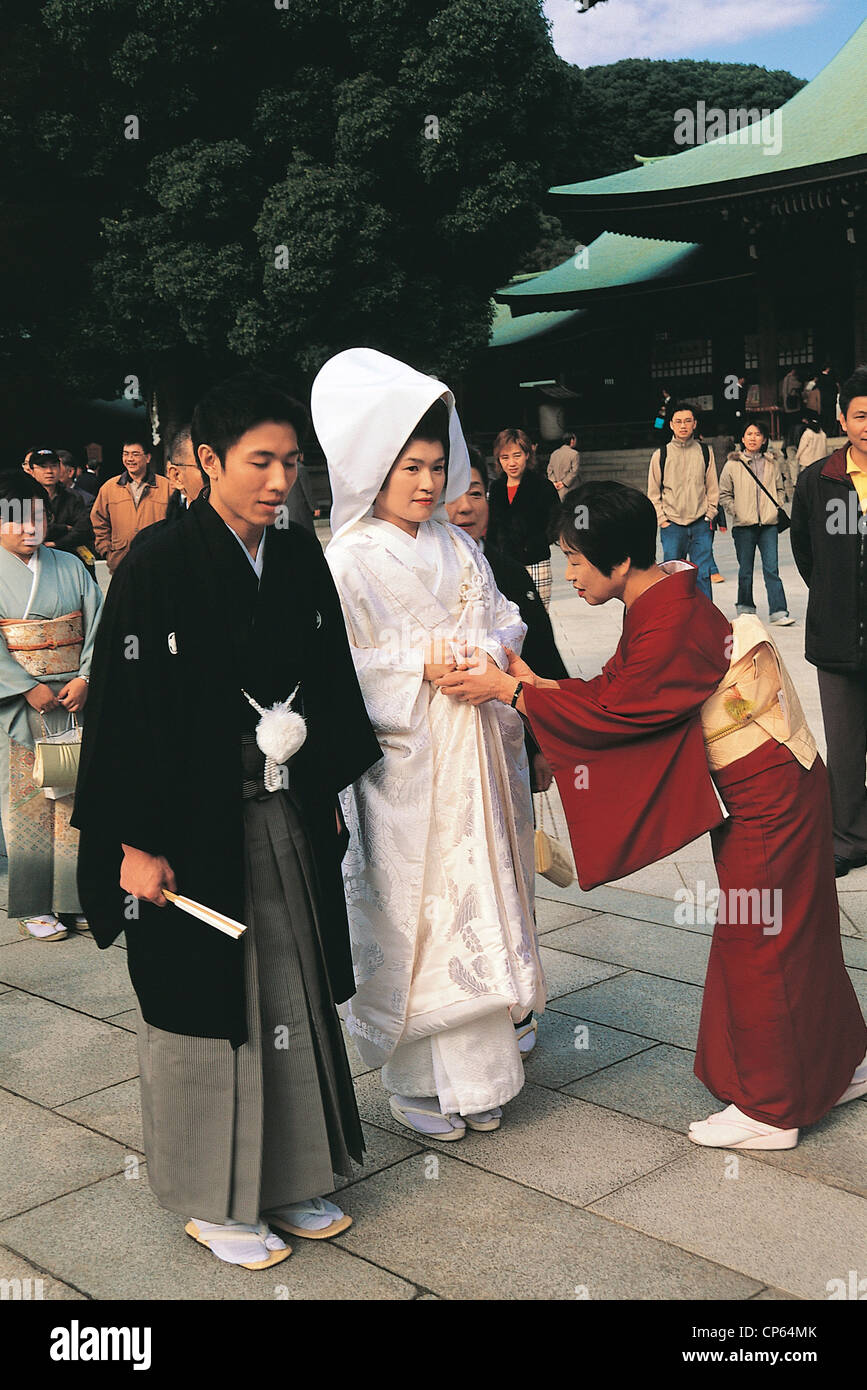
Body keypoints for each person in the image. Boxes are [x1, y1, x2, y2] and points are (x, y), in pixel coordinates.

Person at [438, 480, 867, 1150]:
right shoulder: (661, 595)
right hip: (776, 775)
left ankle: (772, 1109)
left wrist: (510, 691)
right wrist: (538, 685)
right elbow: (621, 689)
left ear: (617, 563)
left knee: (761, 938)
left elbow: (618, 712)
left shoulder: (665, 616)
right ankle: (837, 1065)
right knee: (795, 925)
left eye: (576, 561)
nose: (569, 574)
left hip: (765, 792)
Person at [72, 372, 382, 1268]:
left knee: (289, 987)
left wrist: (322, 790)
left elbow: (327, 674)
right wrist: (133, 843)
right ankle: (214, 1198)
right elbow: (124, 708)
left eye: (292, 460)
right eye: (260, 461)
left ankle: (290, 1174)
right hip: (186, 818)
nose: (281, 479)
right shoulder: (158, 564)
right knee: (206, 1001)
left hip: (280, 802)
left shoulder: (292, 552)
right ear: (207, 463)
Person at [314, 347, 545, 1142]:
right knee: (416, 913)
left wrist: (485, 651)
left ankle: (483, 1076)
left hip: (474, 749)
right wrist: (418, 661)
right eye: (409, 467)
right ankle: (416, 1084)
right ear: (374, 470)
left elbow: (509, 616)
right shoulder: (347, 558)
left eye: (435, 466)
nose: (424, 483)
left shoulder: (458, 544)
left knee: (480, 899)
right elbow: (335, 662)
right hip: (405, 763)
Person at [447, 454, 569, 1057]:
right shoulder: (434, 570)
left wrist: (547, 745)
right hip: (452, 760)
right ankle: (479, 999)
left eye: (475, 492)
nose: (465, 506)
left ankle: (519, 1001)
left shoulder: (504, 571)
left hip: (511, 741)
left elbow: (540, 654)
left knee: (516, 872)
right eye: (454, 495)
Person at [0, 470, 102, 941]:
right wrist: (23, 685)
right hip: (19, 706)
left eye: (37, 517)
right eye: (17, 520)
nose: (29, 529)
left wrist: (85, 676)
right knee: (25, 804)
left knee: (74, 799)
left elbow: (100, 623)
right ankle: (34, 903)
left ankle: (74, 897)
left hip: (72, 702)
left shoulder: (70, 565)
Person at [792, 366, 867, 878]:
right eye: (861, 414)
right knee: (844, 743)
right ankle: (849, 837)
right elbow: (805, 552)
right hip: (837, 633)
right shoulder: (817, 479)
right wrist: (837, 593)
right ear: (842, 418)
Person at [717, 420, 794, 625]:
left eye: (757, 434)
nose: (753, 438)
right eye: (749, 434)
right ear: (742, 439)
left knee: (772, 569)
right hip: (744, 526)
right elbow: (724, 493)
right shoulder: (732, 464)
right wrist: (737, 511)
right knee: (746, 569)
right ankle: (745, 609)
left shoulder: (771, 463)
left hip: (768, 524)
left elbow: (780, 489)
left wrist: (776, 505)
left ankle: (779, 612)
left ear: (764, 439)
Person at [646, 402, 718, 599]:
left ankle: (704, 619)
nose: (683, 426)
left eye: (687, 421)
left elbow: (712, 486)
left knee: (703, 575)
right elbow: (653, 492)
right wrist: (662, 519)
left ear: (695, 424)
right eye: (678, 422)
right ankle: (676, 617)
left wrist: (710, 513)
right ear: (671, 425)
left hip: (700, 524)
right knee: (673, 577)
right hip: (672, 525)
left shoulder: (705, 452)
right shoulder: (661, 454)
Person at [486, 427, 560, 611]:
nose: (511, 463)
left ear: (527, 454)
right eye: (505, 457)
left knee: (537, 618)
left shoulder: (543, 486)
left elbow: (556, 521)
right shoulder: (496, 488)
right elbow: (492, 527)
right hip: (505, 565)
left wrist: (537, 542)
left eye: (516, 455)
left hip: (536, 562)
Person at [89, 437, 172, 572]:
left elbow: (176, 520)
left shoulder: (167, 487)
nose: (129, 459)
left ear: (148, 458)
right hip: (121, 562)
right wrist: (107, 551)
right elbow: (98, 521)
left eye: (135, 454)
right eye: (126, 454)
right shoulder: (110, 487)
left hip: (158, 560)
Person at [23, 450, 94, 565]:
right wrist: (64, 528)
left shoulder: (74, 497)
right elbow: (28, 529)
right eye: (43, 467)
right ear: (31, 471)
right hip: (32, 558)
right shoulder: (23, 497)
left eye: (54, 466)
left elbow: (83, 531)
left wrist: (56, 543)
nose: (49, 471)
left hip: (69, 556)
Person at [547, 431, 580, 498]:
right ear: (572, 440)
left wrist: (554, 482)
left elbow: (549, 470)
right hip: (570, 488)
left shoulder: (554, 453)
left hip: (557, 488)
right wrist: (563, 483)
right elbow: (574, 471)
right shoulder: (575, 453)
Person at [818, 363, 839, 436]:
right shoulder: (831, 378)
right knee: (831, 416)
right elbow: (835, 388)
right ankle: (831, 431)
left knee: (825, 416)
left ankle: (825, 431)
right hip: (831, 399)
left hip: (823, 400)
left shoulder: (819, 378)